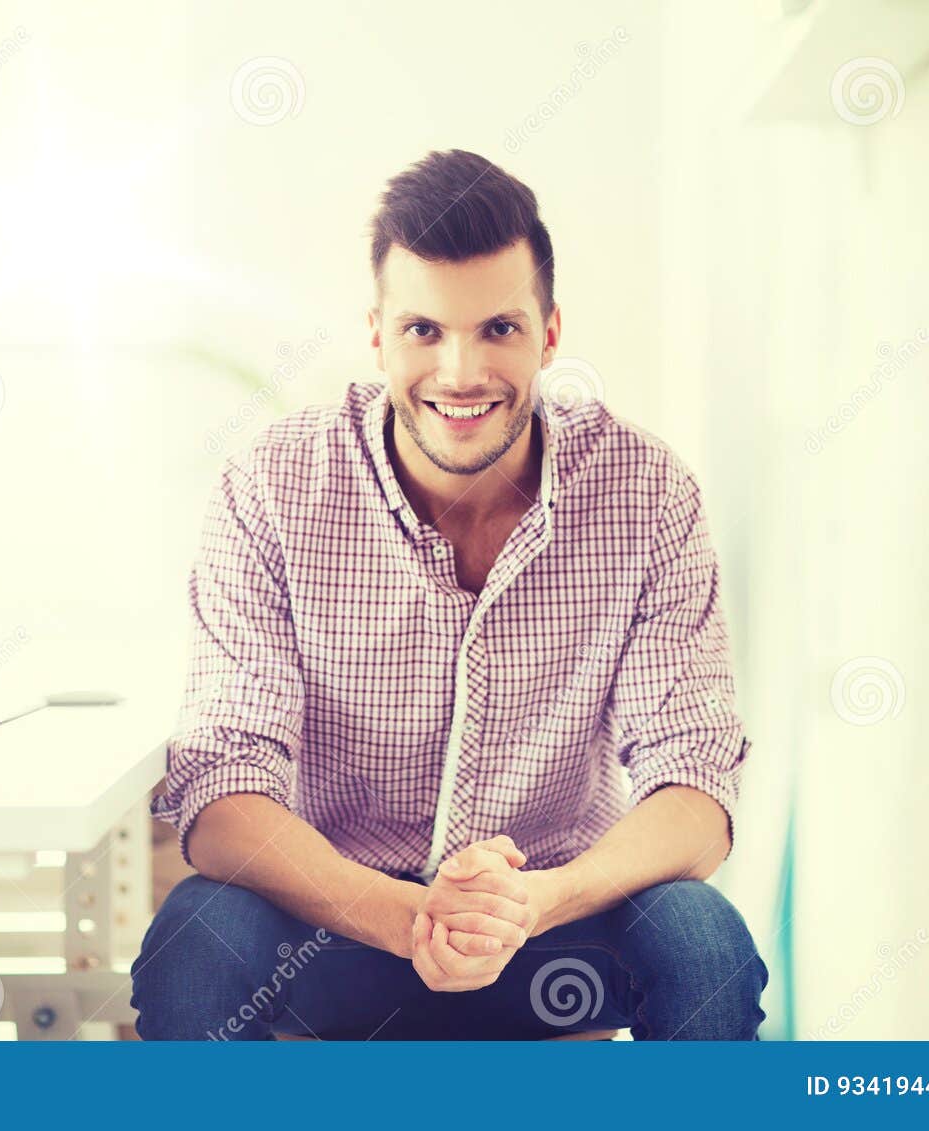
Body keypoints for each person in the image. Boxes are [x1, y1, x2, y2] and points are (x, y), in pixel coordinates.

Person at [132, 149, 765, 1040]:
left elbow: (696, 784)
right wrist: (408, 916)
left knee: (707, 944)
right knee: (194, 941)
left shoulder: (646, 491)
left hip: (552, 929)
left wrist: (534, 902)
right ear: (379, 334)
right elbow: (221, 792)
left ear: (549, 333)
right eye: (425, 330)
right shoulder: (271, 488)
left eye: (498, 328)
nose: (461, 372)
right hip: (336, 929)